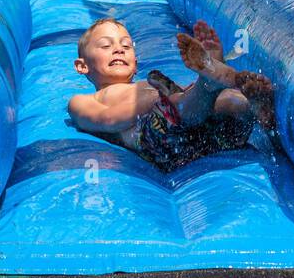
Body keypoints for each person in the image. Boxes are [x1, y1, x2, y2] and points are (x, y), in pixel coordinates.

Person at [67, 17, 276, 173]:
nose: (118, 50)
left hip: (206, 141)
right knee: (179, 106)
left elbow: (181, 99)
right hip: (159, 142)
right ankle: (209, 82)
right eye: (106, 45)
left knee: (221, 103)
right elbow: (109, 120)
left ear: (136, 63)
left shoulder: (143, 85)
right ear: (82, 66)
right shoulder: (82, 101)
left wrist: (176, 96)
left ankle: (250, 107)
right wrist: (157, 100)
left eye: (126, 46)